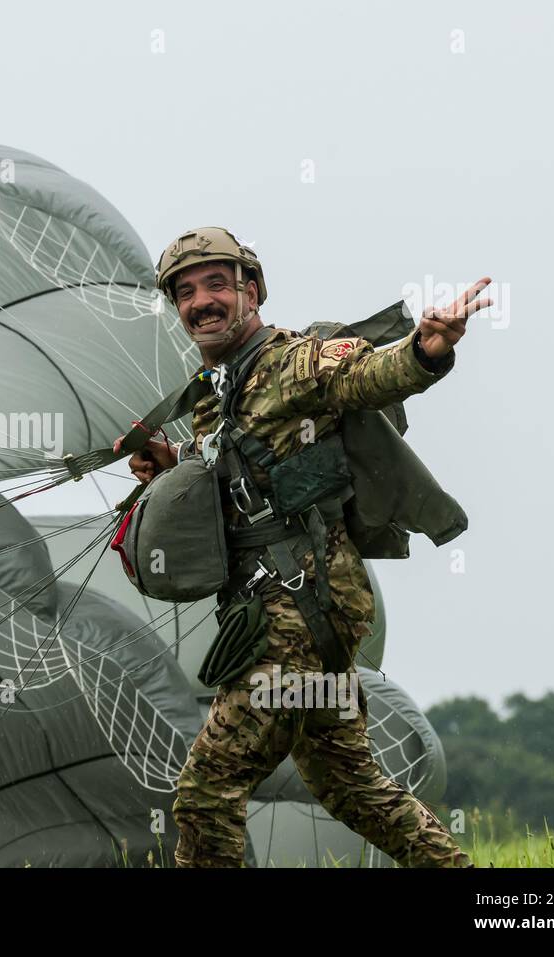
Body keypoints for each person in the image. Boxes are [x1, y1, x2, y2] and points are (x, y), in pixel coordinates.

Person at [119, 226, 489, 867]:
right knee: (353, 789)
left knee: (207, 792)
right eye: (185, 292)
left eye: (216, 284)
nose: (201, 301)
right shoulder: (218, 390)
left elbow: (366, 376)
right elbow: (246, 466)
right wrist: (173, 458)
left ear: (251, 291)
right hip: (296, 609)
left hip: (297, 608)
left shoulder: (294, 361)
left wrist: (426, 351)